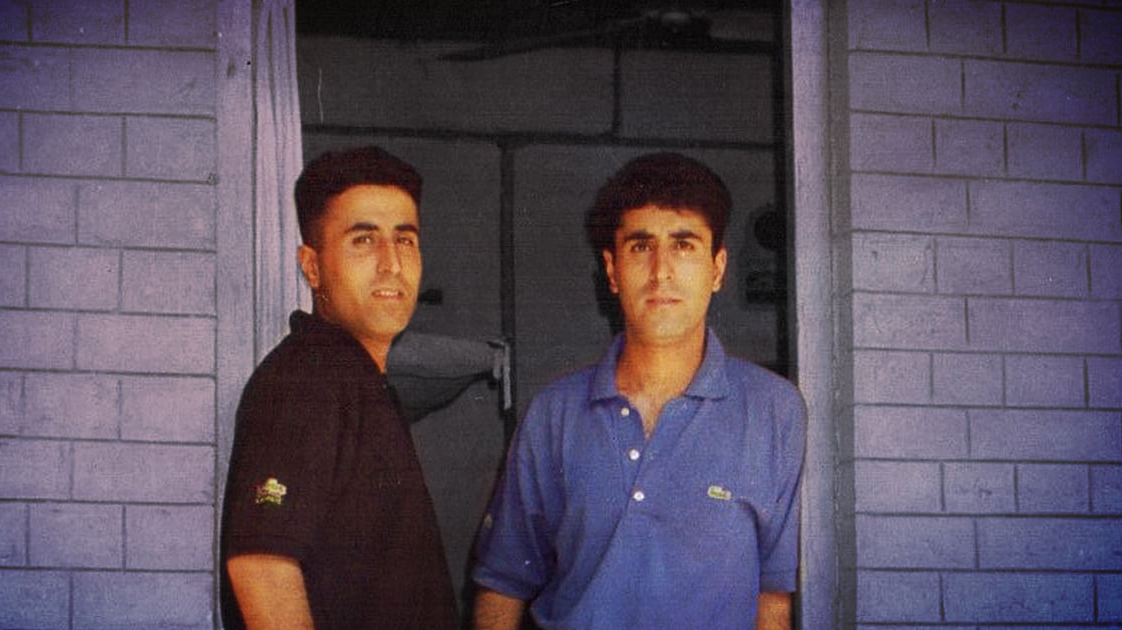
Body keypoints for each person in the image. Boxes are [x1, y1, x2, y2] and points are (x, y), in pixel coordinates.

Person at [471, 152, 805, 630]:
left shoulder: (775, 411)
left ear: (717, 269)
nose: (661, 270)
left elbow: (773, 600)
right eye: (640, 246)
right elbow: (503, 585)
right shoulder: (553, 415)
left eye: (684, 245)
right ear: (611, 271)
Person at [220, 147, 458, 630]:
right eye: (364, 240)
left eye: (405, 240)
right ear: (312, 267)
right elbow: (262, 568)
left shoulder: (356, 379)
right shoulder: (307, 379)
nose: (392, 264)